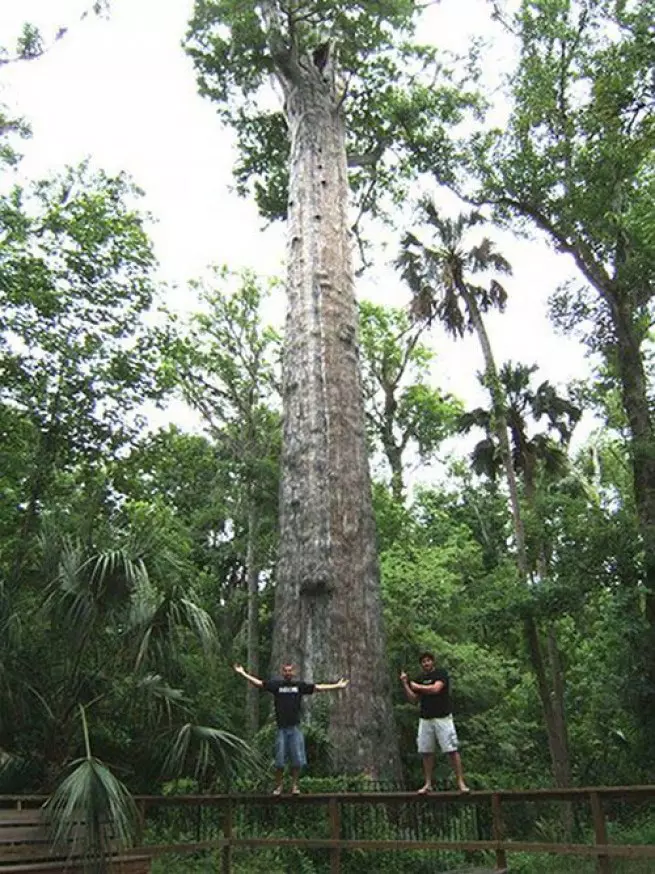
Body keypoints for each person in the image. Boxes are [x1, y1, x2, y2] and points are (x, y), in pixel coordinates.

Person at [234, 662, 348, 794]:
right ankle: (279, 786)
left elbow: (318, 688)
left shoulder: (298, 686)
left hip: (294, 728)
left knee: (297, 760)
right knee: (280, 761)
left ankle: (294, 786)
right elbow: (259, 683)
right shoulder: (277, 686)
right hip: (281, 729)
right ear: (282, 673)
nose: (288, 673)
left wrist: (337, 686)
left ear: (293, 673)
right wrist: (243, 673)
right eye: (285, 671)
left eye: (290, 671)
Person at [400, 651, 469, 794]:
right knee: (426, 752)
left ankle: (460, 782)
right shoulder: (420, 678)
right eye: (423, 662)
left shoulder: (440, 674)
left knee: (451, 750)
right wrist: (406, 684)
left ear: (433, 662)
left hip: (443, 718)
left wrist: (417, 687)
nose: (426, 664)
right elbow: (413, 699)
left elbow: (436, 689)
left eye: (428, 661)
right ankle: (428, 783)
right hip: (425, 719)